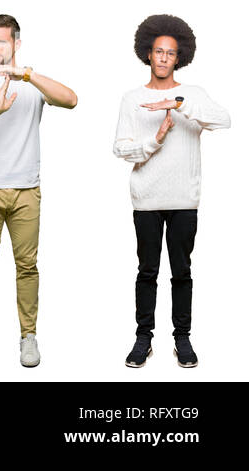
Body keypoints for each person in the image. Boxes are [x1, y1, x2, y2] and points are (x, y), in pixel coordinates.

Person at [0, 14, 77, 368]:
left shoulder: (32, 82)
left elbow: (71, 99)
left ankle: (28, 336)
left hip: (26, 191)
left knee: (27, 266)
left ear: (16, 44)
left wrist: (27, 75)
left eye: (1, 42)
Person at [113, 14, 229, 368]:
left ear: (179, 58)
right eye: (158, 51)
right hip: (146, 199)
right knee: (147, 271)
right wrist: (155, 140)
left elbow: (224, 120)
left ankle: (183, 338)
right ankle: (143, 337)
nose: (163, 58)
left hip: (184, 200)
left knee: (182, 271)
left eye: (171, 53)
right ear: (148, 54)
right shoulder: (132, 98)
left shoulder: (192, 95)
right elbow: (121, 148)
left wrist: (180, 105)